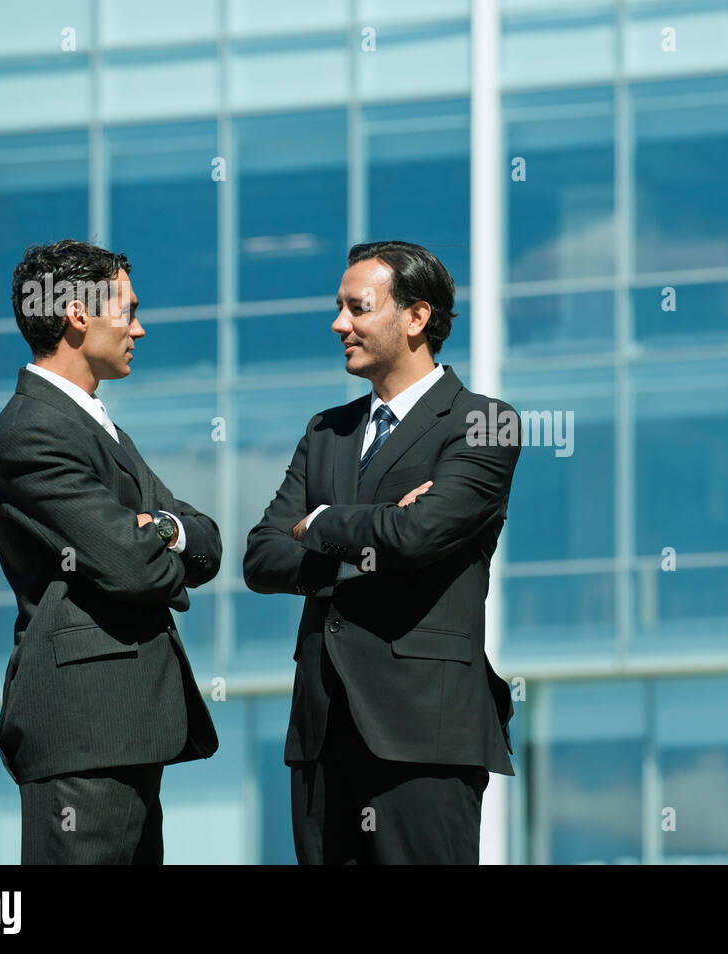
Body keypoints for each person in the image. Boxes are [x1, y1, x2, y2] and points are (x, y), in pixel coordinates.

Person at [244, 240, 520, 864]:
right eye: (339, 307)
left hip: (424, 730)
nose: (338, 324)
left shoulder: (485, 422)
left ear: (417, 317)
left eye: (357, 308)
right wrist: (373, 534)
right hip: (321, 731)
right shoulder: (325, 431)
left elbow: (418, 535)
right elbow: (261, 558)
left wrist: (319, 521)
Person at [0, 239, 220, 864]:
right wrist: (159, 535)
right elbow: (130, 564)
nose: (139, 328)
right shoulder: (30, 432)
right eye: (128, 310)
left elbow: (206, 540)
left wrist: (158, 526)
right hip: (85, 732)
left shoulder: (92, 425)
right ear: (78, 315)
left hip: (124, 728)